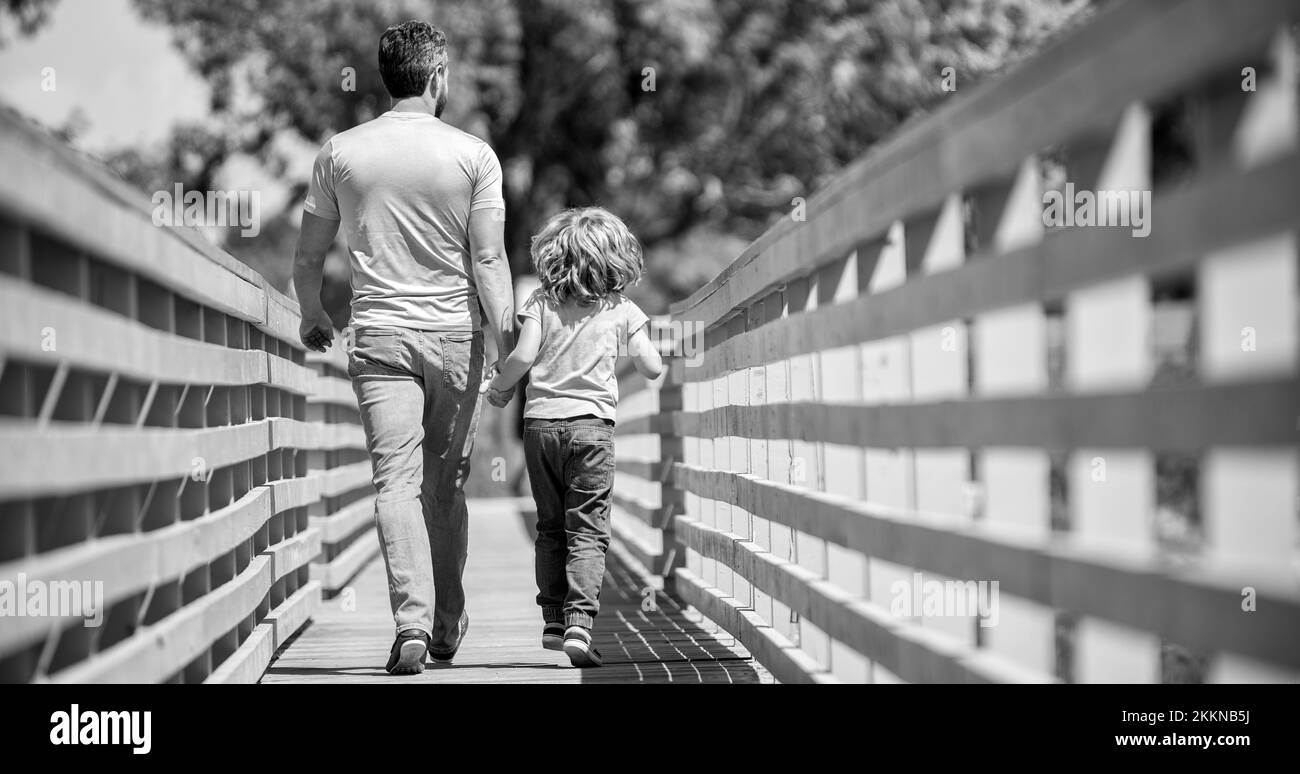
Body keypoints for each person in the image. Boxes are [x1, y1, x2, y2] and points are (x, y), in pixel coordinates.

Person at [292, 21, 516, 675]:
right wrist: (509, 348)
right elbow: (488, 257)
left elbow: (309, 257)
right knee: (443, 486)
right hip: (455, 338)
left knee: (395, 483)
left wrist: (312, 314)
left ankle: (411, 625)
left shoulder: (341, 153)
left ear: (387, 76)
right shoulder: (474, 155)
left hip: (379, 336)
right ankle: (446, 626)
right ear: (438, 74)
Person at [484, 207, 663, 667]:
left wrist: (501, 388)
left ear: (554, 255)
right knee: (587, 529)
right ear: (616, 259)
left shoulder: (541, 303)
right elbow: (649, 365)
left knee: (549, 525)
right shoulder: (622, 309)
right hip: (592, 431)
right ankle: (580, 623)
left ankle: (552, 619)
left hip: (541, 427)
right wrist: (647, 348)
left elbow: (523, 357)